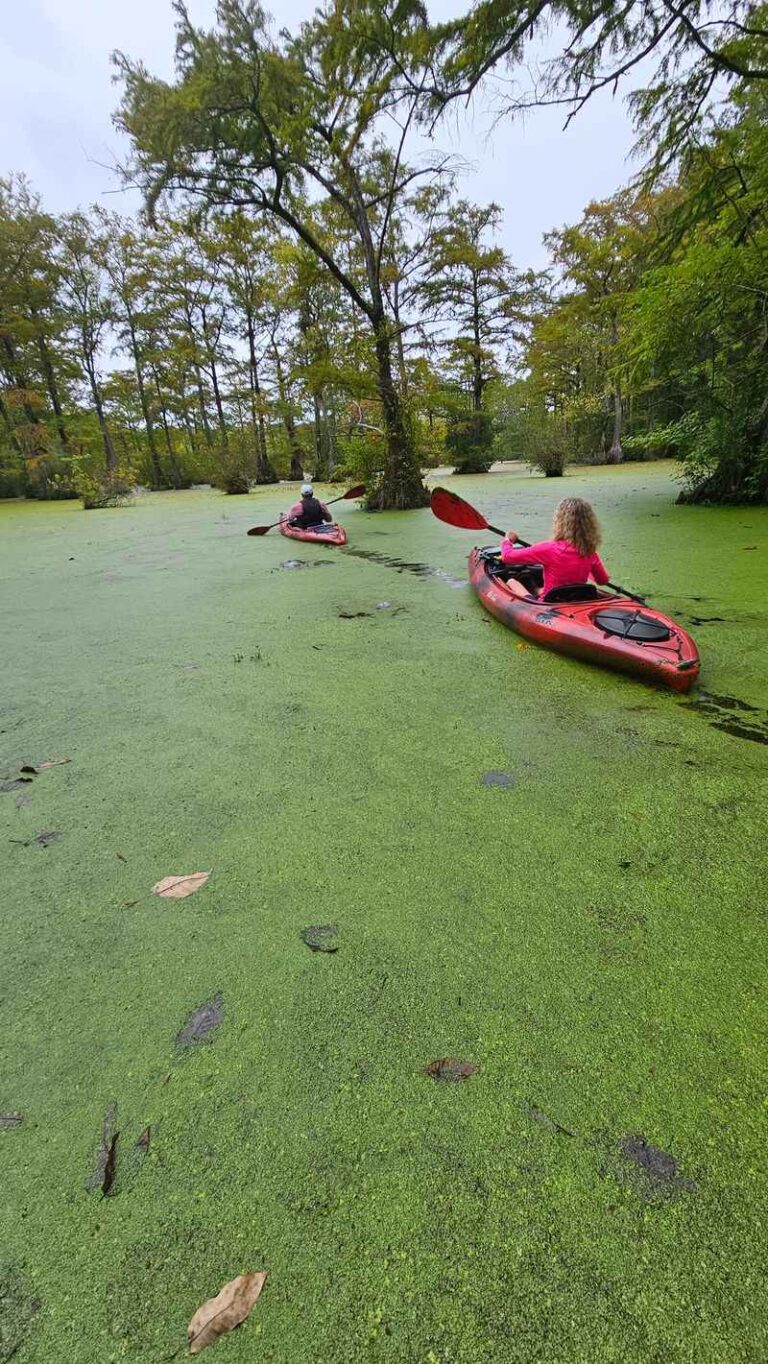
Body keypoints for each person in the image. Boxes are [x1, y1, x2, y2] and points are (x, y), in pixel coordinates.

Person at [500, 497, 610, 599]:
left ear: (560, 522)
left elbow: (507, 556)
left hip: (550, 603)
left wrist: (508, 541)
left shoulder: (549, 548)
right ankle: (537, 591)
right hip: (577, 599)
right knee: (541, 588)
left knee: (511, 581)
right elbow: (602, 580)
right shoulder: (590, 552)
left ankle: (532, 595)